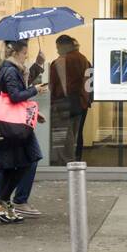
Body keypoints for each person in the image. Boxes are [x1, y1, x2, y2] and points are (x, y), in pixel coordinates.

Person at [0, 40, 47, 223]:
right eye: (24, 53)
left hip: (16, 124)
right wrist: (34, 90)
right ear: (16, 53)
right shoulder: (10, 70)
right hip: (13, 126)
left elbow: (20, 91)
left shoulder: (15, 68)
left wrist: (38, 65)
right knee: (26, 161)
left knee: (14, 164)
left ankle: (1, 202)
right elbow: (15, 96)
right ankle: (1, 201)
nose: (26, 56)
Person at [49, 34, 91, 164]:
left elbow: (53, 85)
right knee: (76, 134)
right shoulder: (84, 59)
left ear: (64, 46)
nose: (57, 50)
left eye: (58, 47)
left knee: (64, 137)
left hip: (63, 104)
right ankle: (76, 160)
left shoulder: (60, 62)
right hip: (81, 104)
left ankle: (67, 163)